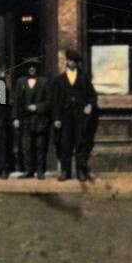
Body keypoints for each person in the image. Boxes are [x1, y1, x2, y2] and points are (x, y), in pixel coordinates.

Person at [50, 48, 97, 181]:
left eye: (74, 61)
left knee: (80, 143)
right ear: (67, 62)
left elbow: (92, 96)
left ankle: (81, 171)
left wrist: (89, 105)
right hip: (65, 118)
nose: (71, 63)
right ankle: (65, 171)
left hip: (80, 117)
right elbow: (55, 101)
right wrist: (56, 118)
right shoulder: (59, 80)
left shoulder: (83, 78)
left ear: (77, 63)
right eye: (70, 60)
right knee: (65, 144)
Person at [12, 61, 51, 178]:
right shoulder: (20, 82)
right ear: (26, 69)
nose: (32, 69)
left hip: (40, 119)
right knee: (26, 146)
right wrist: (15, 118)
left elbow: (50, 101)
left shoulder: (44, 82)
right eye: (29, 67)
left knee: (40, 145)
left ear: (37, 69)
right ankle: (28, 171)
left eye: (34, 67)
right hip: (25, 119)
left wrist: (37, 107)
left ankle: (40, 171)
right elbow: (16, 101)